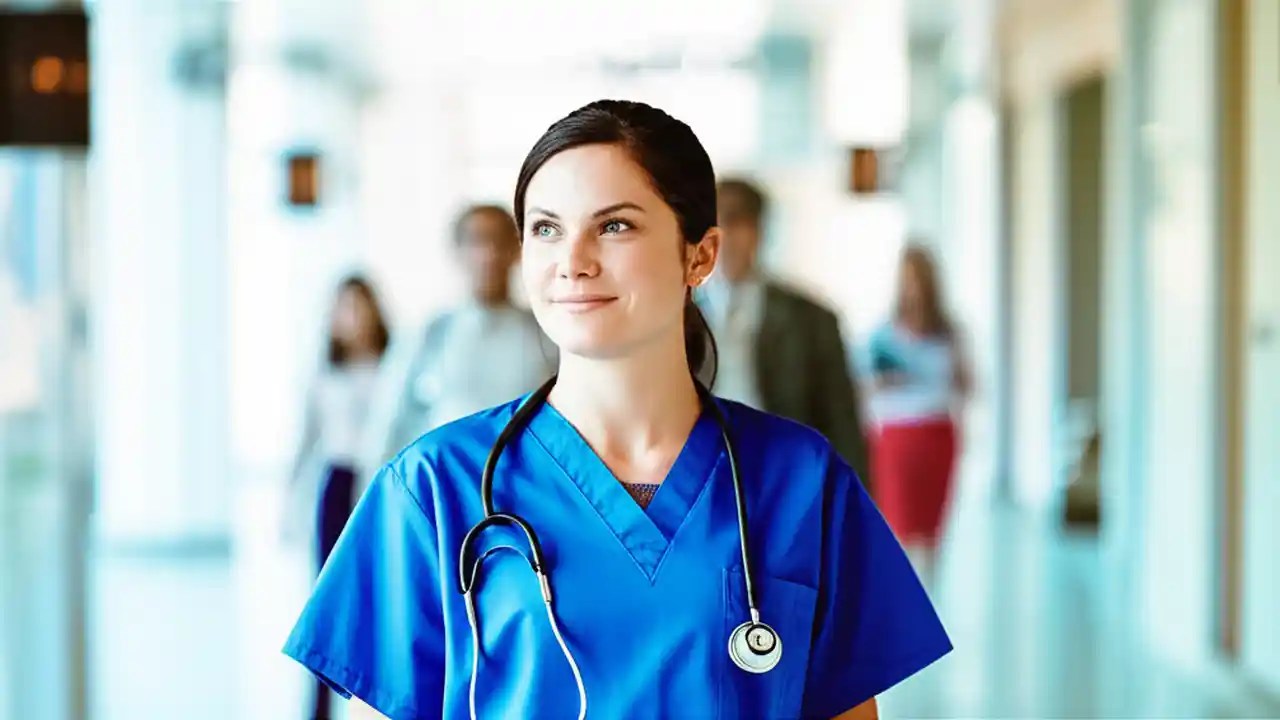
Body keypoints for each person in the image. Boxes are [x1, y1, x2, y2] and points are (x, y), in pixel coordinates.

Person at [283, 100, 950, 720]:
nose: (572, 261)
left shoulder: (800, 482)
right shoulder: (433, 488)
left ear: (701, 254)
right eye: (546, 229)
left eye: (615, 226)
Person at [698, 178, 871, 486]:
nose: (723, 237)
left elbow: (843, 425)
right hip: (703, 479)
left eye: (734, 221)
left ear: (758, 232)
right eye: (713, 224)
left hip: (782, 477)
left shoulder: (810, 320)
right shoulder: (677, 314)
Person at [361, 204, 556, 472]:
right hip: (444, 483)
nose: (489, 254)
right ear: (456, 250)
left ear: (517, 250)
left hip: (524, 485)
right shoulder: (431, 332)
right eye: (478, 241)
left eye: (500, 241)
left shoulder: (544, 331)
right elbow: (391, 421)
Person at [284, 274, 391, 720]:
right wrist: (289, 505)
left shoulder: (394, 365)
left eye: (360, 306)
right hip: (337, 485)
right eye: (344, 308)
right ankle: (320, 709)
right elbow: (305, 441)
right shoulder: (323, 373)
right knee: (330, 601)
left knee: (379, 596)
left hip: (379, 487)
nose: (353, 318)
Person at [864, 244, 971, 579]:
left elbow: (967, 384)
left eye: (919, 279)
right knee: (899, 525)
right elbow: (862, 385)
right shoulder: (882, 335)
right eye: (907, 279)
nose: (913, 288)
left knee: (930, 531)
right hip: (896, 437)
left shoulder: (950, 334)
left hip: (938, 435)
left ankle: (926, 598)